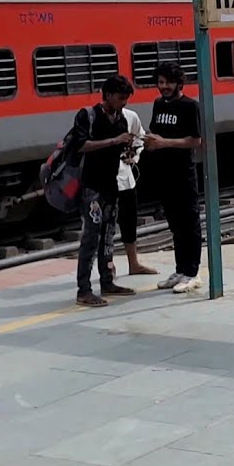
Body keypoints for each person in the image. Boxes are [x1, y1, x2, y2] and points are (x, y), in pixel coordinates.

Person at [70, 75, 138, 307]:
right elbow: (80, 146)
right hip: (92, 187)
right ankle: (84, 289)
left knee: (108, 235)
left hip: (111, 185)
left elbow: (118, 148)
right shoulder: (88, 116)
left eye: (126, 99)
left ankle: (107, 280)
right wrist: (113, 141)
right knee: (91, 237)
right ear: (107, 95)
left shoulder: (120, 119)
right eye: (120, 98)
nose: (124, 103)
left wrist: (127, 152)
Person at [144, 61, 204, 294]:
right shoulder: (158, 104)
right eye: (160, 82)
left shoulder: (190, 106)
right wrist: (147, 143)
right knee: (175, 223)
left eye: (168, 82)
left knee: (190, 223)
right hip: (164, 172)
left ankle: (193, 273)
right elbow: (156, 134)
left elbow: (195, 140)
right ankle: (180, 270)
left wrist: (164, 143)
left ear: (179, 82)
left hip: (183, 172)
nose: (164, 86)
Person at [117, 105, 158, 276]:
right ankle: (107, 266)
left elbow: (140, 138)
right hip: (103, 181)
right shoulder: (95, 117)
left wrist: (134, 155)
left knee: (129, 221)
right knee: (103, 225)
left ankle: (133, 263)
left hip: (126, 179)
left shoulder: (130, 116)